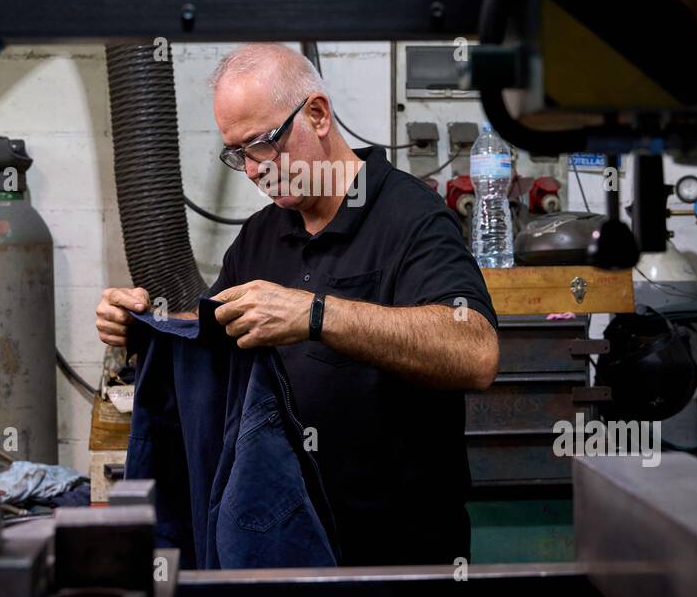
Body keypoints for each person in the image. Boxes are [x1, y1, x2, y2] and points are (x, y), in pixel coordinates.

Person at [97, 43, 500, 565]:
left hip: (401, 553)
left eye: (264, 143)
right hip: (286, 546)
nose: (253, 169)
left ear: (317, 114)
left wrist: (314, 314)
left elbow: (476, 352)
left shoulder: (411, 217)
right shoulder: (259, 237)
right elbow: (214, 350)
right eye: (237, 152)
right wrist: (146, 326)